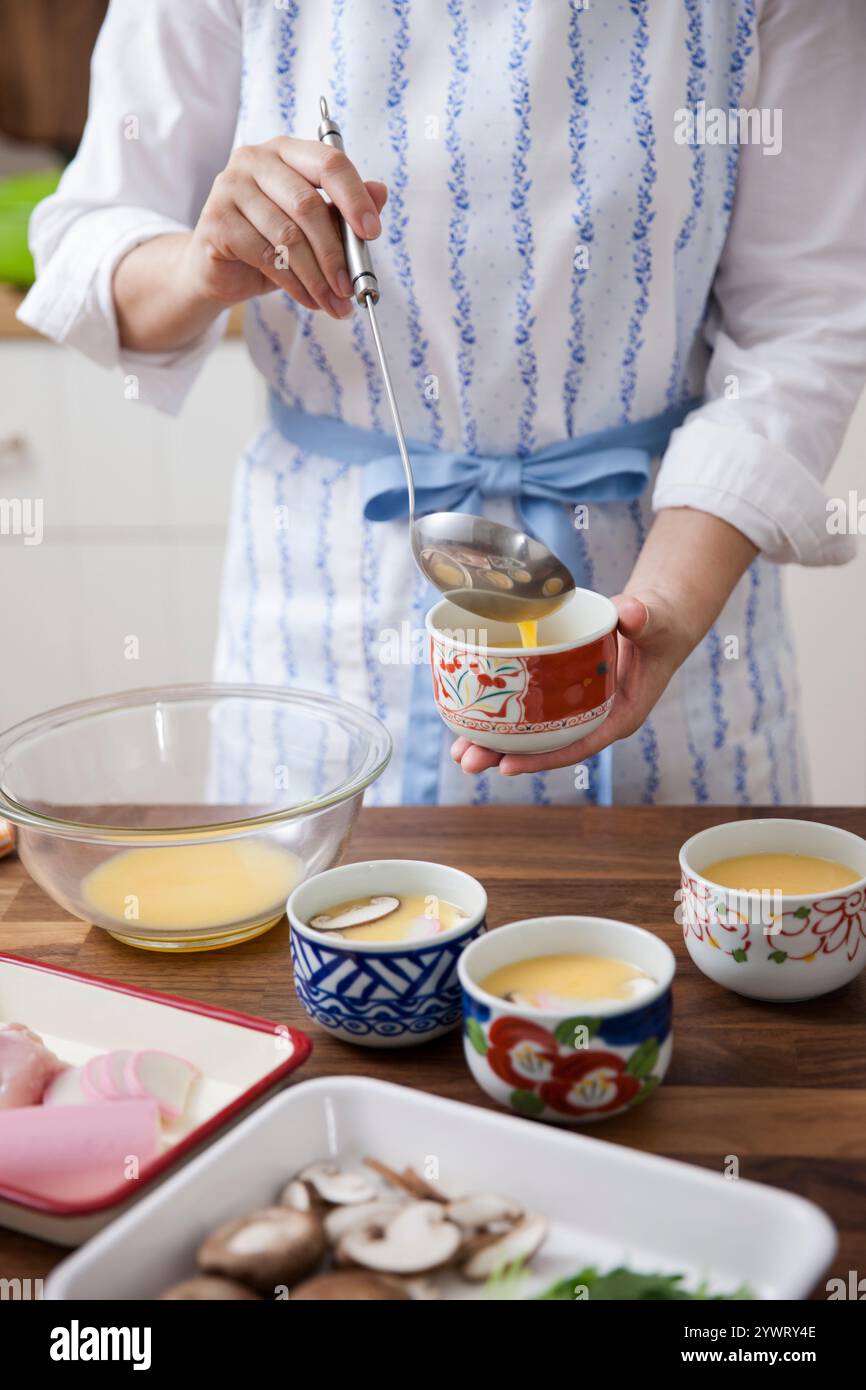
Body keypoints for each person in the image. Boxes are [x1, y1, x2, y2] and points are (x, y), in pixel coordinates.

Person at [20, 0, 866, 807]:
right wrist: (203, 263)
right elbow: (85, 247)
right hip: (327, 623)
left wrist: (671, 609)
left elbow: (810, 310)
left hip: (677, 610)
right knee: (321, 936)